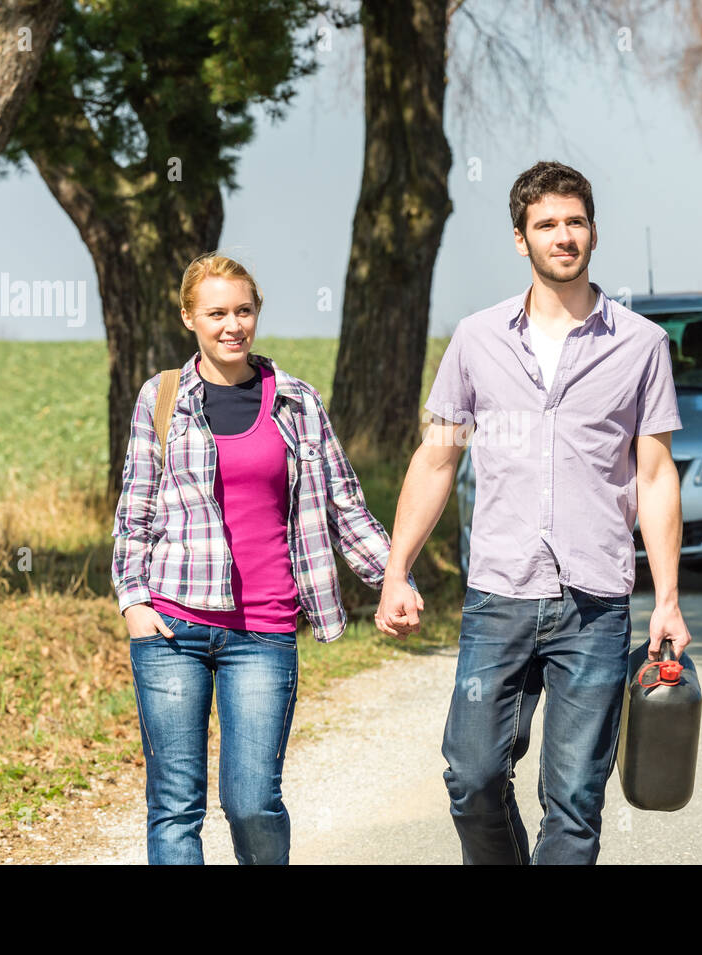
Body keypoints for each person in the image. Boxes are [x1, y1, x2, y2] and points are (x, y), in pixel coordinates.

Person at [374, 161, 692, 864]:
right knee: (474, 775)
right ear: (521, 239)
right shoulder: (477, 339)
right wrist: (397, 569)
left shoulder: (640, 345)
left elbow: (655, 473)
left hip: (596, 602)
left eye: (575, 222)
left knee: (575, 800)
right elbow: (436, 459)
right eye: (546, 224)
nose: (563, 236)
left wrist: (667, 598)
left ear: (593, 232)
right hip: (500, 594)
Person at [111, 252, 418, 865]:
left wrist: (393, 578)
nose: (232, 325)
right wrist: (134, 603)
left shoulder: (297, 402)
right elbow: (134, 511)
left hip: (264, 630)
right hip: (172, 623)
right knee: (175, 805)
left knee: (253, 802)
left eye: (243, 311)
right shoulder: (162, 398)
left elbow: (345, 506)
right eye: (216, 313)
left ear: (257, 315)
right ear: (189, 319)